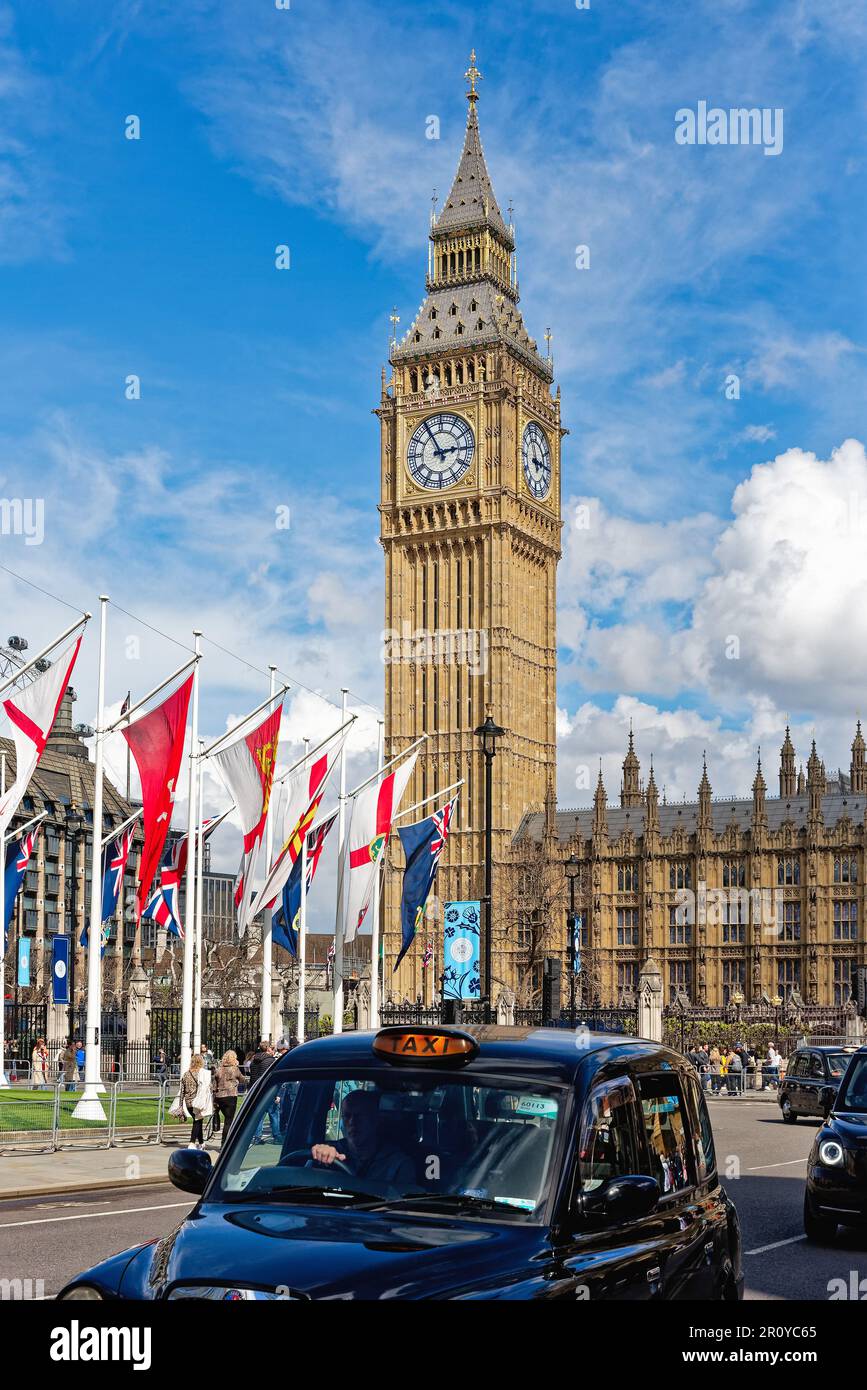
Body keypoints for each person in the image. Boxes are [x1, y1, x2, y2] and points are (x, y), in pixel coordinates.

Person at [311, 1089, 417, 1188]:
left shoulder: (398, 1164)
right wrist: (319, 1154)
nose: (352, 1122)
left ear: (375, 1119)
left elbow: (405, 1204)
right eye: (347, 1116)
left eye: (359, 1116)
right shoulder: (331, 1152)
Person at [180, 1053, 212, 1150]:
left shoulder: (186, 1074)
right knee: (197, 1122)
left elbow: (182, 1090)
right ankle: (192, 1142)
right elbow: (208, 1087)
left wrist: (180, 1104)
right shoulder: (202, 1073)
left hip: (188, 1101)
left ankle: (201, 1143)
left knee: (198, 1120)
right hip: (198, 1101)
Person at [212, 1050, 242, 1142]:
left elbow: (214, 1085)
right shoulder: (235, 1069)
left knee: (225, 1118)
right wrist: (236, 1082)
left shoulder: (219, 1069)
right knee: (228, 1121)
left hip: (219, 1096)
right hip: (230, 1096)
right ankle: (224, 1143)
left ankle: (224, 1141)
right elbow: (243, 1079)